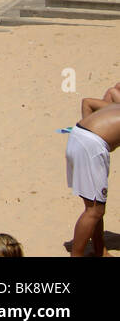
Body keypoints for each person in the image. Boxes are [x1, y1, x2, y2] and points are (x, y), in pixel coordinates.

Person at [67, 102, 120, 256]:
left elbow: (87, 102)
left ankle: (99, 250)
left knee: (96, 205)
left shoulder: (115, 105)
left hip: (78, 136)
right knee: (95, 210)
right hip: (91, 147)